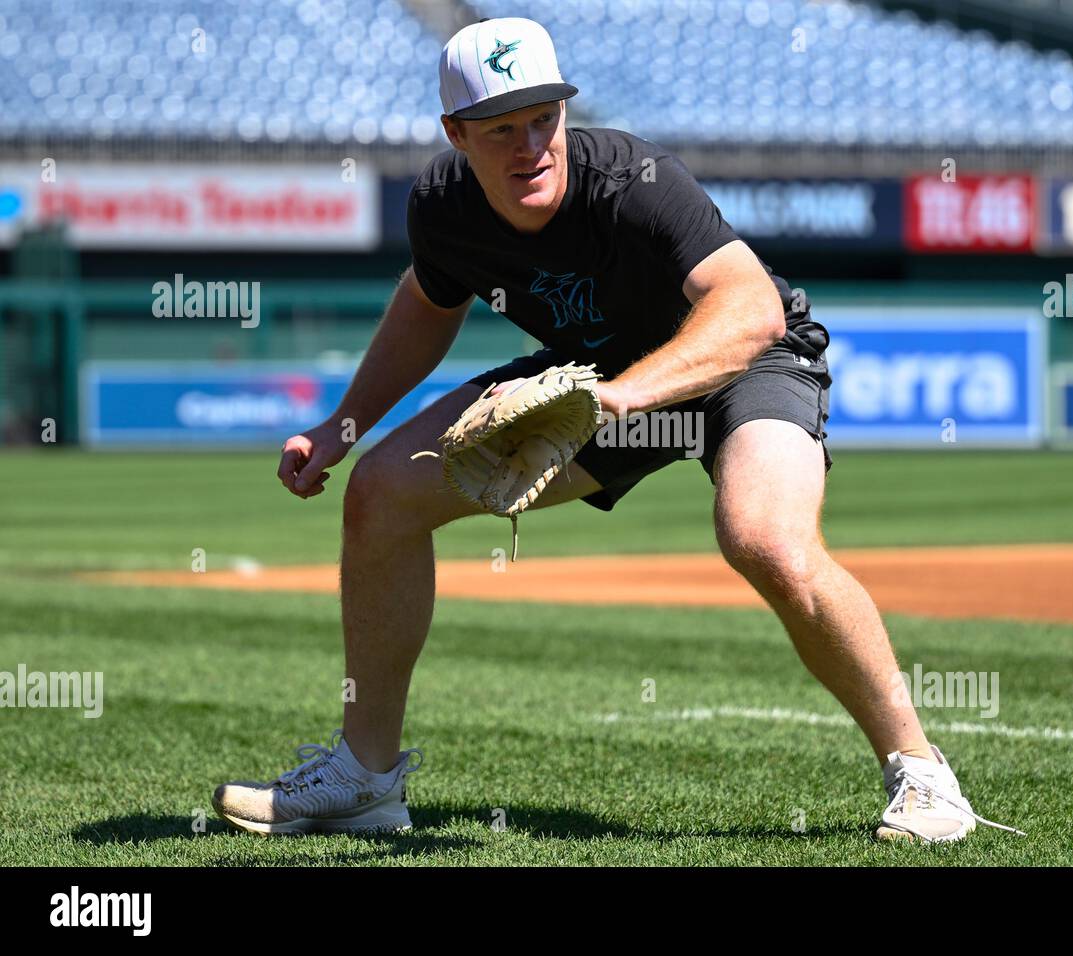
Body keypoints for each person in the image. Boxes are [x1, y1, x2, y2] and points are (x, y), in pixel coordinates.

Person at [212, 17, 1013, 843]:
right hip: (597, 382)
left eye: (544, 118)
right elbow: (428, 304)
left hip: (746, 364)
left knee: (764, 537)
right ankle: (365, 780)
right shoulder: (444, 206)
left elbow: (749, 308)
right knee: (380, 495)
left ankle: (921, 774)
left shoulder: (631, 179)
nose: (531, 145)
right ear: (456, 134)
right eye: (501, 129)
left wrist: (627, 398)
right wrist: (343, 427)